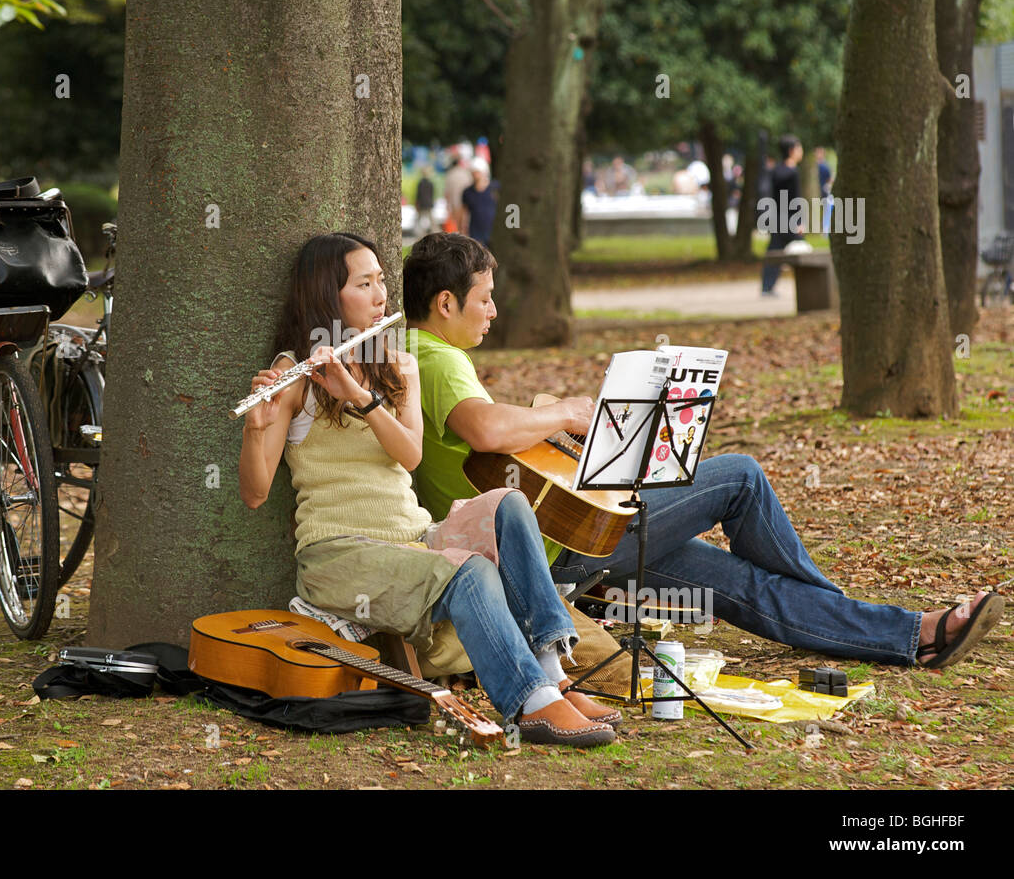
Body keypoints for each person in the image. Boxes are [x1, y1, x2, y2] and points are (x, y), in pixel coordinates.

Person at [401, 232, 1005, 669]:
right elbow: (482, 430)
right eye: (484, 298)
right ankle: (847, 607)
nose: (494, 310)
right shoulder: (435, 357)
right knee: (739, 475)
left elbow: (480, 443)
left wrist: (535, 421)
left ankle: (914, 636)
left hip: (564, 551)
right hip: (562, 550)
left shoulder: (424, 361)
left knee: (742, 585)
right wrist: (564, 412)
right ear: (446, 304)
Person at [238, 233, 618, 747]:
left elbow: (409, 454)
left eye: (381, 283)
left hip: (413, 536)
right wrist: (257, 428)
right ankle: (529, 705)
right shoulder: (294, 376)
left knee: (509, 503)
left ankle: (551, 676)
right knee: (472, 570)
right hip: (338, 553)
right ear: (327, 295)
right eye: (364, 284)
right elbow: (255, 493)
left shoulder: (399, 365)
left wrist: (360, 397)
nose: (380, 298)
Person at [761, 135, 803, 296]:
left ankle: (767, 286)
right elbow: (795, 198)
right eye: (799, 148)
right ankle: (810, 284)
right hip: (789, 218)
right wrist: (799, 221)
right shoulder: (792, 173)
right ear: (792, 151)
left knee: (775, 249)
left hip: (776, 216)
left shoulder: (776, 171)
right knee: (800, 247)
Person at [459, 158, 498, 248]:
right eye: (473, 172)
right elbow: (464, 211)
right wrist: (462, 229)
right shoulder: (467, 192)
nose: (475, 175)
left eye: (478, 172)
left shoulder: (495, 188)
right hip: (475, 232)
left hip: (493, 230)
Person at [442, 153, 473, 234]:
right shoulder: (466, 173)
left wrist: (448, 206)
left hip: (454, 204)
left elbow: (447, 193)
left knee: (457, 227)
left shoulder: (450, 174)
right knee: (465, 225)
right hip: (466, 203)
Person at [414, 168, 435, 237]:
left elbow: (418, 195)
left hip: (422, 204)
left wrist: (417, 203)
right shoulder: (430, 183)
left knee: (419, 219)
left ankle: (419, 233)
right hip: (428, 203)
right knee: (431, 220)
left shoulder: (420, 183)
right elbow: (432, 194)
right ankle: (433, 232)